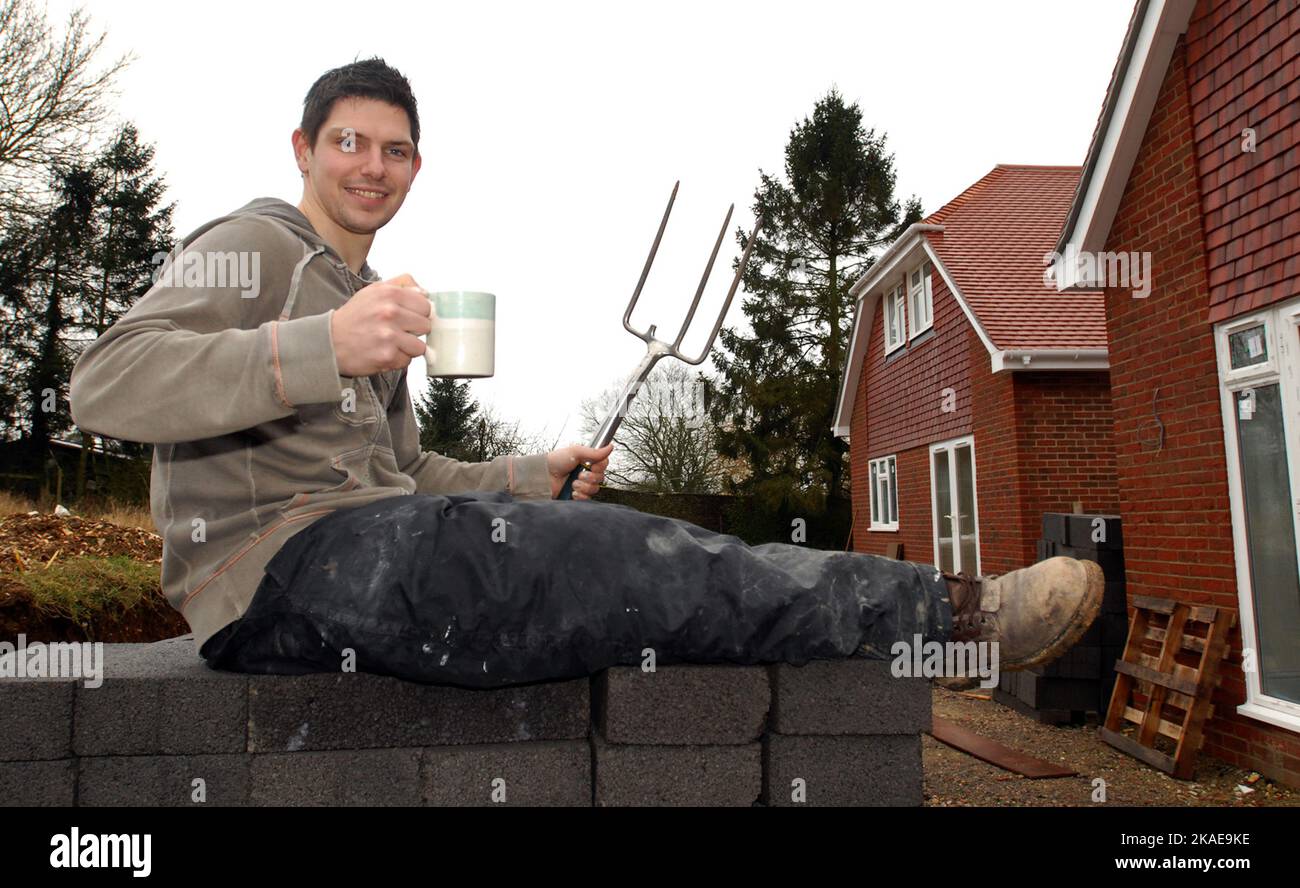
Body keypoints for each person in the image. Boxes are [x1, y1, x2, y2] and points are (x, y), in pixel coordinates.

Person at [69, 58, 1103, 689]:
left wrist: (530, 476)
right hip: (276, 577)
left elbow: (407, 479)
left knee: (619, 555)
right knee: (624, 562)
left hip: (365, 546)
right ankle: (950, 619)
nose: (372, 166)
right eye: (349, 141)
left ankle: (916, 626)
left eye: (396, 149)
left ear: (416, 167)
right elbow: (106, 383)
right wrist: (321, 347)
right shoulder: (255, 243)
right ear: (303, 147)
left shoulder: (365, 292)